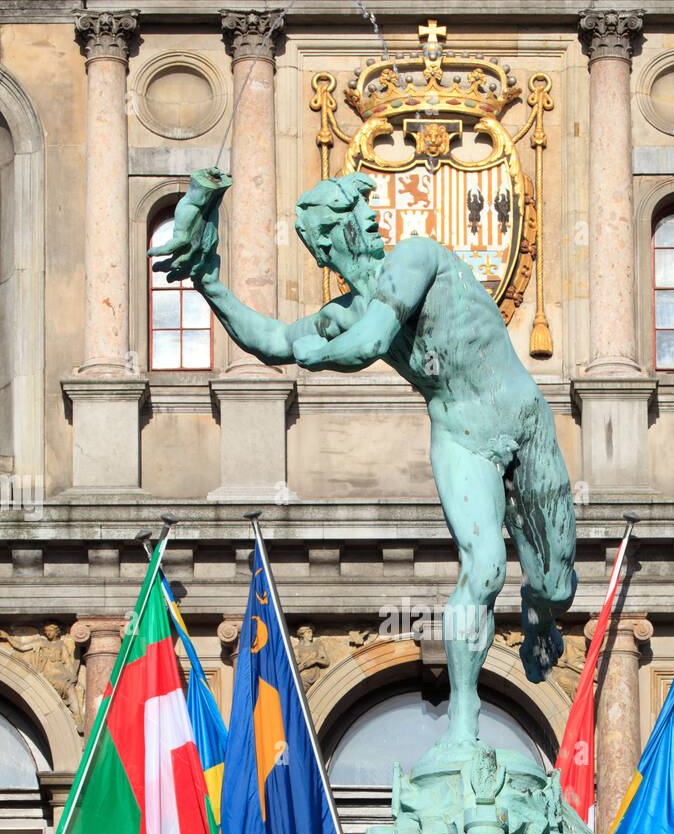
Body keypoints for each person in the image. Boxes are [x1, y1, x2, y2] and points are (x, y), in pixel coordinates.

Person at [150, 172, 577, 747]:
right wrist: (210, 285)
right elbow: (271, 340)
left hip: (521, 421)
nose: (329, 243)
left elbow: (372, 342)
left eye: (335, 227)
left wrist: (316, 354)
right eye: (318, 236)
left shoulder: (415, 258)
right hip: (460, 435)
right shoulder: (346, 312)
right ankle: (465, 724)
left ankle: (541, 608)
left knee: (556, 585)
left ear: (359, 226)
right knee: (484, 568)